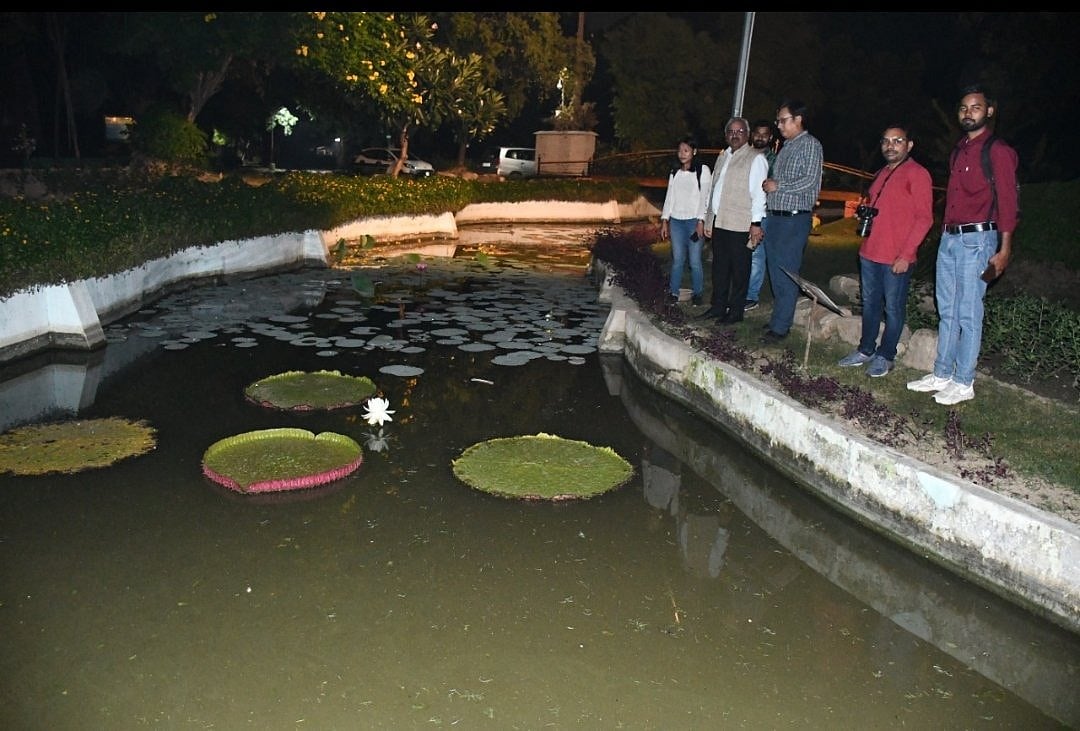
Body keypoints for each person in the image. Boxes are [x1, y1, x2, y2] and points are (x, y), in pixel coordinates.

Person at [907, 84, 1019, 405]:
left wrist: (1004, 249)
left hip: (978, 240)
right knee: (948, 309)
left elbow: (1008, 204)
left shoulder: (997, 151)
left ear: (989, 111)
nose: (968, 113)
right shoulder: (959, 150)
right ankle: (942, 373)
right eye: (963, 108)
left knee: (969, 312)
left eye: (976, 107)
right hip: (950, 239)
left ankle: (964, 380)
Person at [837, 123, 933, 377]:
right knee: (869, 305)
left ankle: (886, 355)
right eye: (886, 141)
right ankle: (865, 349)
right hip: (870, 253)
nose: (890, 146)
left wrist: (906, 254)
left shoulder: (918, 174)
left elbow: (925, 219)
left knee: (893, 308)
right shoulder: (881, 173)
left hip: (896, 258)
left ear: (909, 145)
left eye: (897, 141)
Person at [761, 99, 823, 342]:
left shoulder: (810, 144)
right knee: (775, 271)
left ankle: (781, 327)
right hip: (776, 218)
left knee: (787, 272)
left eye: (783, 120)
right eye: (778, 121)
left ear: (798, 119)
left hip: (793, 220)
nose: (779, 125)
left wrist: (778, 185)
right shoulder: (786, 146)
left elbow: (810, 181)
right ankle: (778, 319)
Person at [700, 117, 768, 323]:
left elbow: (759, 194)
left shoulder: (756, 158)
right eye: (731, 131)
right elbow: (714, 190)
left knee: (739, 271)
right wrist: (709, 219)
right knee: (719, 269)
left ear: (747, 134)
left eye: (739, 131)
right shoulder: (723, 156)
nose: (735, 135)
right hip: (721, 222)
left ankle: (736, 312)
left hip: (741, 223)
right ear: (726, 134)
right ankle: (718, 307)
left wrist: (756, 224)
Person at [660, 135, 712, 305]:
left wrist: (701, 220)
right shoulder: (674, 171)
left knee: (695, 260)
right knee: (678, 259)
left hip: (693, 221)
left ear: (694, 152)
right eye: (680, 150)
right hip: (676, 221)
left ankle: (698, 294)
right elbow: (670, 196)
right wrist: (665, 220)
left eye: (686, 150)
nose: (682, 154)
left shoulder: (702, 170)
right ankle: (673, 293)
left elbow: (705, 197)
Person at [745, 120, 779, 311]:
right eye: (757, 133)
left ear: (770, 137)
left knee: (756, 254)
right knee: (746, 253)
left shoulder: (772, 160)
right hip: (744, 211)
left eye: (764, 134)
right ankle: (744, 290)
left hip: (762, 214)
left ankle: (751, 296)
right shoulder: (746, 155)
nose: (760, 137)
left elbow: (768, 188)